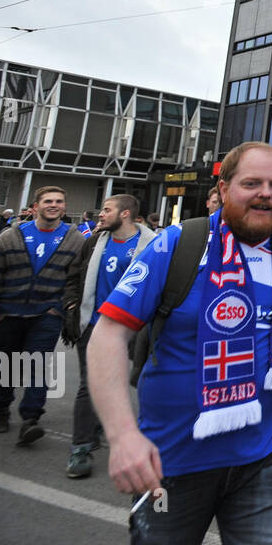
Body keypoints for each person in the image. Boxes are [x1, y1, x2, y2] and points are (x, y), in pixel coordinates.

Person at [87, 142, 272, 545]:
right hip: (171, 464)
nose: (266, 193)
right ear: (225, 188)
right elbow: (108, 334)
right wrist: (123, 435)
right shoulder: (177, 243)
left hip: (266, 458)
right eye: (252, 183)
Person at [0, 185, 86, 443]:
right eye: (48, 201)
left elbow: (77, 279)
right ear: (35, 206)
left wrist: (60, 309)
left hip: (47, 313)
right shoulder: (10, 235)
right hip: (8, 312)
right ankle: (1, 408)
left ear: (64, 206)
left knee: (38, 364)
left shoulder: (76, 239)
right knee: (3, 363)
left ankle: (31, 418)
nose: (54, 205)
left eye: (59, 201)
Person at [62, 195, 156, 478]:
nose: (100, 215)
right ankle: (81, 447)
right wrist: (71, 305)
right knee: (89, 383)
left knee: (141, 380)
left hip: (135, 327)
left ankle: (135, 438)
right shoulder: (93, 242)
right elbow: (73, 277)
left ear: (125, 214)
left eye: (106, 210)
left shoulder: (154, 245)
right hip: (94, 325)